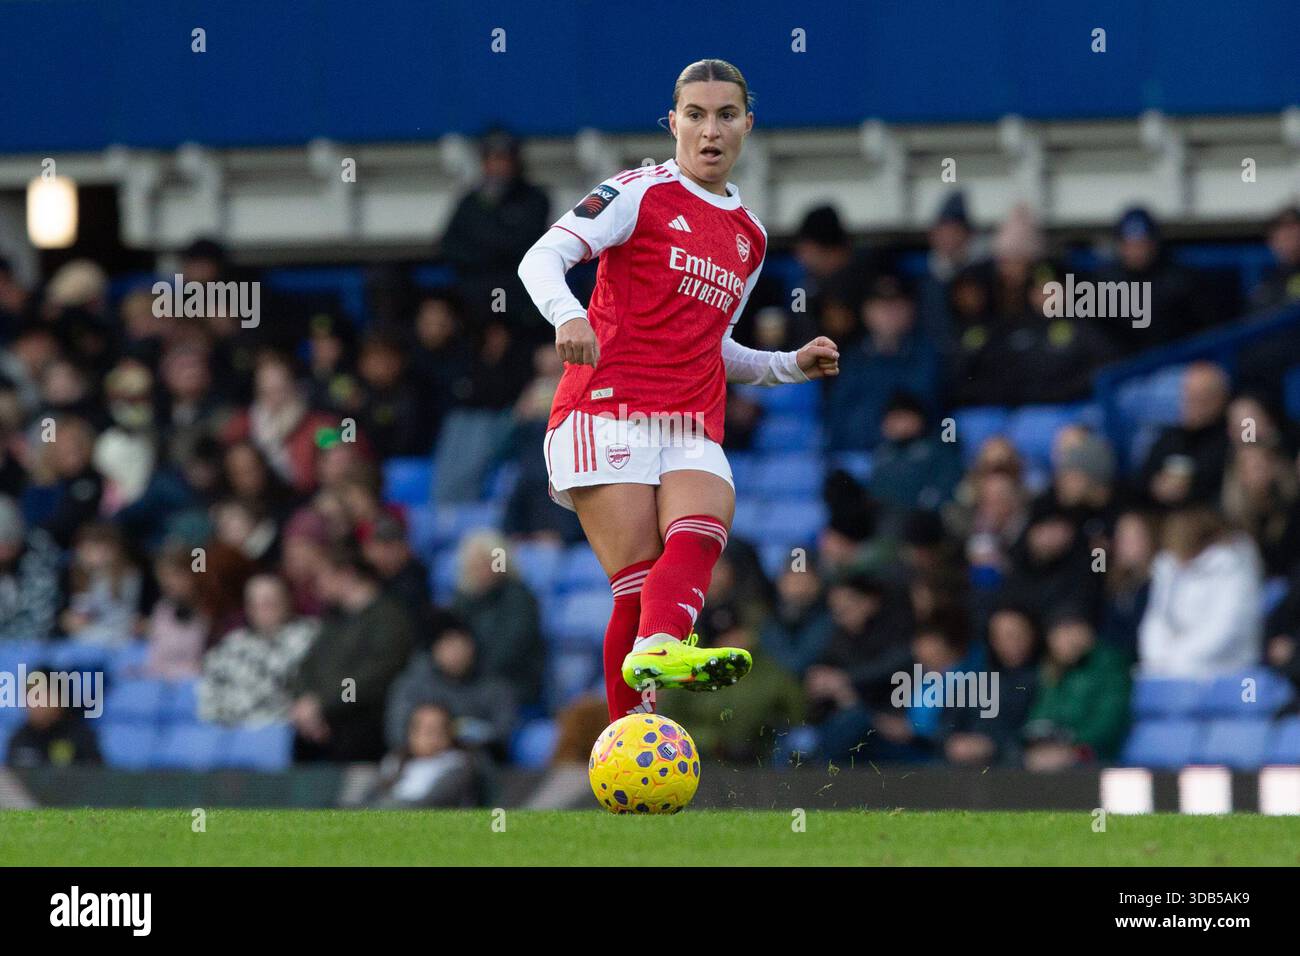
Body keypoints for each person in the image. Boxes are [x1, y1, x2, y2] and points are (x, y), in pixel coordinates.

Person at [517, 59, 839, 722]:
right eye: (695, 115)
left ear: (748, 124)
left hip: (689, 420)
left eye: (725, 115)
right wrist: (568, 315)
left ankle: (663, 645)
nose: (709, 129)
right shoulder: (637, 192)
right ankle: (632, 744)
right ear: (673, 123)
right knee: (633, 588)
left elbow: (713, 344)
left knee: (703, 523)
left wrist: (788, 365)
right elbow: (540, 257)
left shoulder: (749, 237)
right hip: (606, 409)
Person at [289, 544, 413, 761]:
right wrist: (306, 702)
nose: (316, 584)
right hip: (320, 723)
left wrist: (323, 704)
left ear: (346, 574)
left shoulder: (388, 618)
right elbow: (307, 666)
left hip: (365, 724)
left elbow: (375, 676)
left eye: (322, 575)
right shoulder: (333, 619)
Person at [1137, 507, 1263, 679]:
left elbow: (1226, 627)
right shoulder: (1167, 566)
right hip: (1171, 668)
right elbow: (1156, 621)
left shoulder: (1233, 563)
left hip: (1229, 668)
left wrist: (1181, 658)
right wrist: (1158, 658)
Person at [198, 574, 318, 726]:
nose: (261, 610)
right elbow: (210, 696)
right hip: (234, 732)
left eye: (269, 603)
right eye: (254, 604)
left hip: (288, 731)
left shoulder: (312, 635)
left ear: (287, 601)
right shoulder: (231, 644)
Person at [365, 704, 478, 809]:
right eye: (425, 729)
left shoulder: (457, 763)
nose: (431, 736)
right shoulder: (396, 760)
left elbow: (434, 802)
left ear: (449, 733)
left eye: (438, 729)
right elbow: (375, 794)